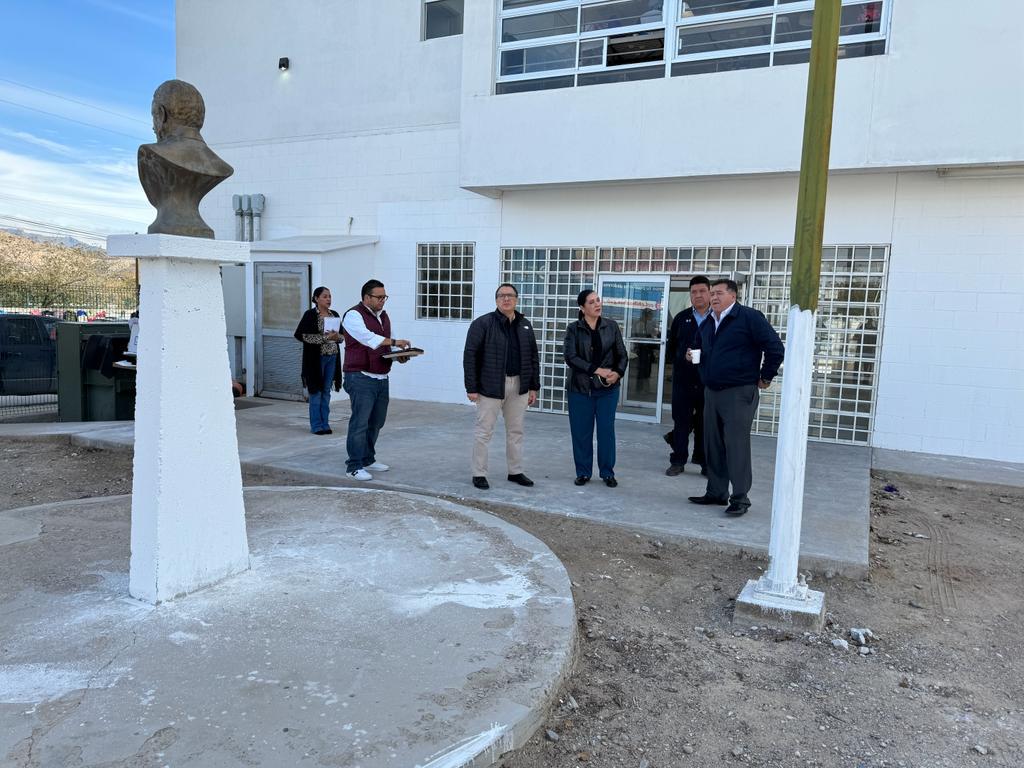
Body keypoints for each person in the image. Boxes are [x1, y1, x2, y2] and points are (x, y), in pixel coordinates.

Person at [687, 279, 784, 515]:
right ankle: (716, 492)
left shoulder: (749, 318)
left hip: (738, 393)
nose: (714, 297)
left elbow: (775, 348)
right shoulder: (709, 321)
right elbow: (699, 347)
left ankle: (740, 498)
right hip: (712, 392)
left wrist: (766, 376)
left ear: (733, 295)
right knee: (713, 444)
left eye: (718, 293)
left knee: (736, 445)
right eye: (712, 294)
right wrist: (693, 357)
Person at [463, 283, 541, 490]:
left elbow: (533, 356)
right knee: (484, 431)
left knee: (516, 431)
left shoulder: (525, 325)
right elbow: (470, 355)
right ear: (496, 300)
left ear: (516, 299)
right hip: (490, 386)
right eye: (501, 296)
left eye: (510, 295)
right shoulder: (483, 324)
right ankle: (479, 473)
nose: (506, 299)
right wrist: (471, 387)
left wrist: (533, 386)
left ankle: (515, 471)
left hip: (519, 386)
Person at [341, 279, 411, 481]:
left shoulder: (384, 316)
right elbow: (367, 338)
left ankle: (367, 459)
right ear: (366, 298)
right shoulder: (353, 315)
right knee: (360, 422)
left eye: (384, 297)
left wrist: (401, 354)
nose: (382, 301)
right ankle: (353, 466)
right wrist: (395, 343)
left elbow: (389, 343)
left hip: (381, 377)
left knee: (377, 422)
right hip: (360, 377)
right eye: (379, 297)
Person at [564, 289, 628, 487]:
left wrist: (617, 373)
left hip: (607, 390)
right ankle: (583, 472)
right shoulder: (574, 329)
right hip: (580, 390)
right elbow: (571, 358)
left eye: (598, 300)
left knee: (606, 432)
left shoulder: (611, 326)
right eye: (591, 302)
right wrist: (597, 370)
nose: (597, 304)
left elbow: (622, 355)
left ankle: (607, 472)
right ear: (582, 308)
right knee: (581, 432)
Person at [664, 275, 712, 476]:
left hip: (708, 381)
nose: (698, 295)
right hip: (684, 380)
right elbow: (671, 349)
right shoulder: (682, 318)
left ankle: (703, 461)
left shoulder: (717, 317)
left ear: (709, 293)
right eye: (694, 292)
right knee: (681, 421)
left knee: (704, 422)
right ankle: (678, 460)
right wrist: (682, 356)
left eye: (702, 291)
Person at [294, 286, 343, 435]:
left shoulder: (334, 315)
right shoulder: (310, 315)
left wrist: (337, 337)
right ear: (316, 298)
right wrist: (324, 338)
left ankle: (325, 423)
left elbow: (342, 337)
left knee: (327, 391)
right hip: (316, 359)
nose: (328, 299)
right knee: (316, 391)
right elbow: (301, 335)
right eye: (325, 296)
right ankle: (316, 425)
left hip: (332, 357)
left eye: (329, 296)